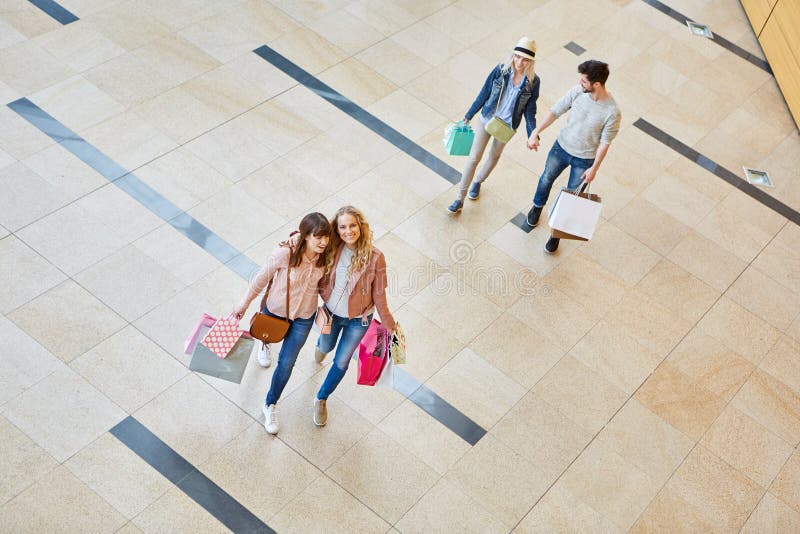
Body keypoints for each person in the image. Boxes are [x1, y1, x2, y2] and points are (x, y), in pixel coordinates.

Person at [231, 213, 331, 435]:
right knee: (266, 335)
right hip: (276, 311)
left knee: (286, 362)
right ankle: (264, 343)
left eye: (326, 238)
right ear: (306, 236)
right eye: (318, 237)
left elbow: (324, 286)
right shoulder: (284, 253)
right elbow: (260, 279)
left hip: (303, 318)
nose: (323, 242)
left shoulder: (326, 258)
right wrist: (243, 304)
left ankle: (270, 404)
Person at [525, 59, 621, 253]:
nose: (580, 83)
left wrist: (594, 168)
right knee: (546, 179)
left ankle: (556, 234)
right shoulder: (577, 92)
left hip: (584, 160)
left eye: (584, 81)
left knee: (571, 199)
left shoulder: (612, 112)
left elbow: (605, 143)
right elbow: (555, 111)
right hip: (561, 147)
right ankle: (537, 206)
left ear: (597, 84)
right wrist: (535, 132)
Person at [312, 206, 396, 426]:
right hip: (330, 313)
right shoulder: (332, 247)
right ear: (336, 230)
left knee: (341, 362)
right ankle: (321, 346)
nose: (348, 231)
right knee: (327, 346)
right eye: (342, 227)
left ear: (360, 226)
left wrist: (390, 325)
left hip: (358, 320)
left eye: (352, 225)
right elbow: (307, 251)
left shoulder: (376, 257)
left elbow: (379, 294)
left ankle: (321, 398)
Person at [447, 37, 540, 213]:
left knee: (494, 156)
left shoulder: (533, 81)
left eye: (525, 59)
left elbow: (530, 111)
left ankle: (478, 181)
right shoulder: (500, 70)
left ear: (531, 61)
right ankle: (459, 198)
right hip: (487, 118)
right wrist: (468, 115)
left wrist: (532, 134)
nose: (520, 62)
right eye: (517, 57)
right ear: (513, 55)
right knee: (474, 158)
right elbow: (484, 93)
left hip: (507, 126)